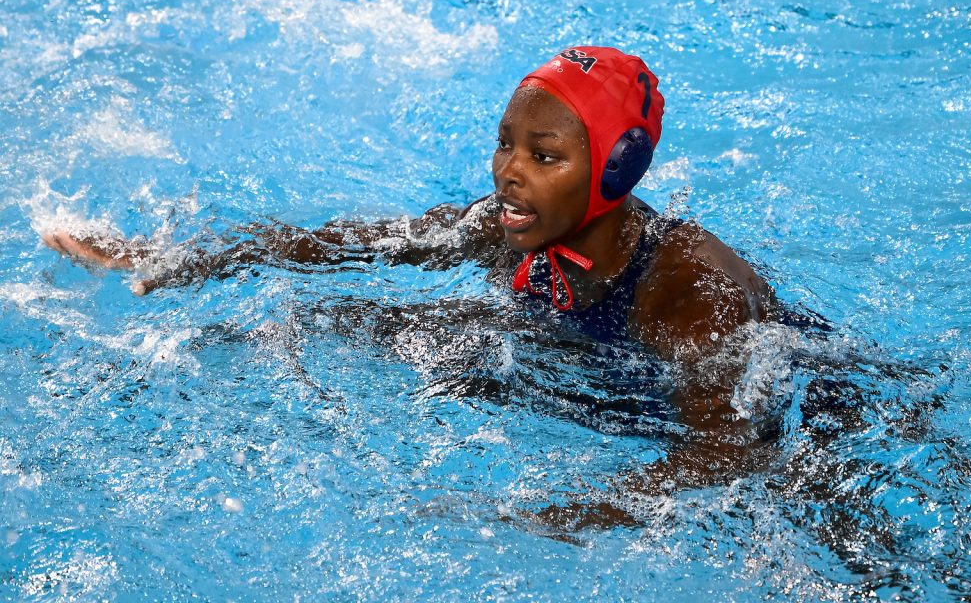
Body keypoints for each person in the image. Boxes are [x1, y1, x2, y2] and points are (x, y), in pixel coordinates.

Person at [43, 45, 780, 530]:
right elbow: (351, 243)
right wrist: (185, 256)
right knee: (365, 325)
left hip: (795, 426)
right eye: (505, 144)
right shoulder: (506, 222)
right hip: (589, 364)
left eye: (543, 155)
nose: (507, 171)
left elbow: (733, 454)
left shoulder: (690, 297)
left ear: (616, 169)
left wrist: (573, 513)